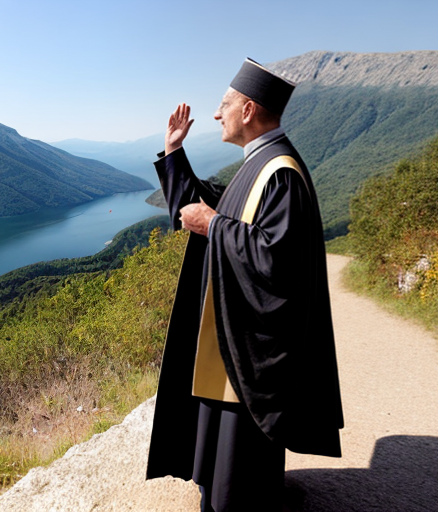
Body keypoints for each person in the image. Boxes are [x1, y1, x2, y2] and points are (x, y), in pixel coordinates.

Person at [145, 58, 344, 512]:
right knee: (221, 444)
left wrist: (214, 226)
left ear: (249, 110)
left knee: (241, 468)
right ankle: (220, 495)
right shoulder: (258, 164)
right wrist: (174, 152)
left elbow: (278, 260)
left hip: (252, 345)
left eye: (224, 105)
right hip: (232, 338)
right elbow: (198, 208)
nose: (217, 114)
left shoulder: (280, 173)